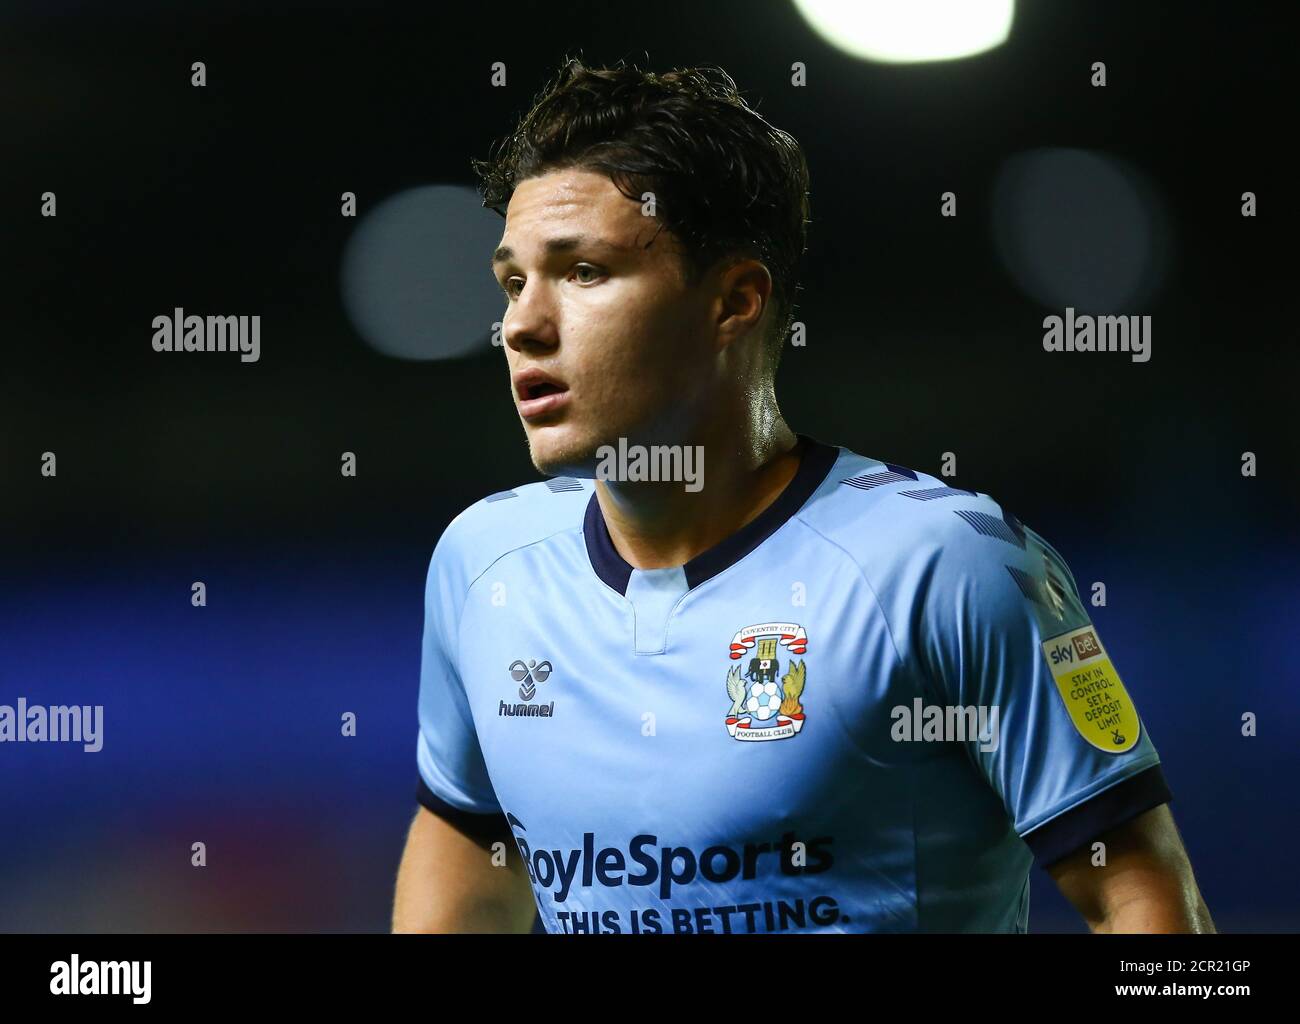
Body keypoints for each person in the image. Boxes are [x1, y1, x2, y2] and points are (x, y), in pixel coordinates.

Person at [392, 58, 1212, 934]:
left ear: (735, 301)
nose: (520, 323)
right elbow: (469, 849)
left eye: (585, 271)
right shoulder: (487, 566)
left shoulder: (945, 564)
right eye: (514, 281)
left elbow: (1141, 897)